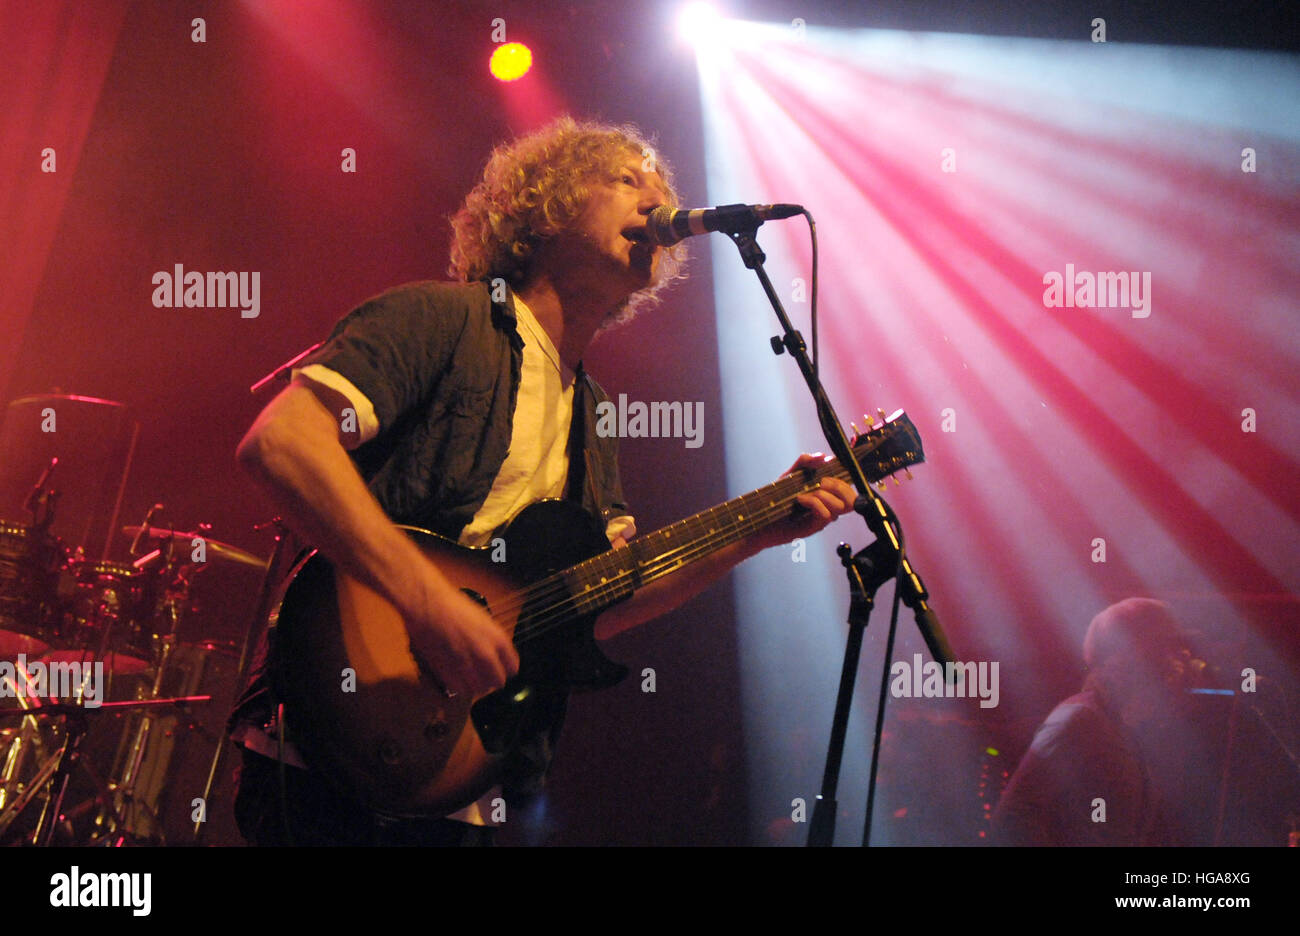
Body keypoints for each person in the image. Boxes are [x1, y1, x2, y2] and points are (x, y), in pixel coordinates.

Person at [228, 116, 856, 845]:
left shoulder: (590, 416)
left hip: (453, 780)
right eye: (627, 178)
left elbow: (596, 606)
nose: (656, 199)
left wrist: (763, 530)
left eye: (661, 184)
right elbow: (282, 443)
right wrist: (428, 602)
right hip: (329, 741)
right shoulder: (439, 319)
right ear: (546, 207)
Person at [990, 598, 1204, 846]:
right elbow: (1011, 822)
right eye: (1165, 650)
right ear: (1127, 656)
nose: (1180, 661)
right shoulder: (1080, 722)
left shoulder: (1125, 729)